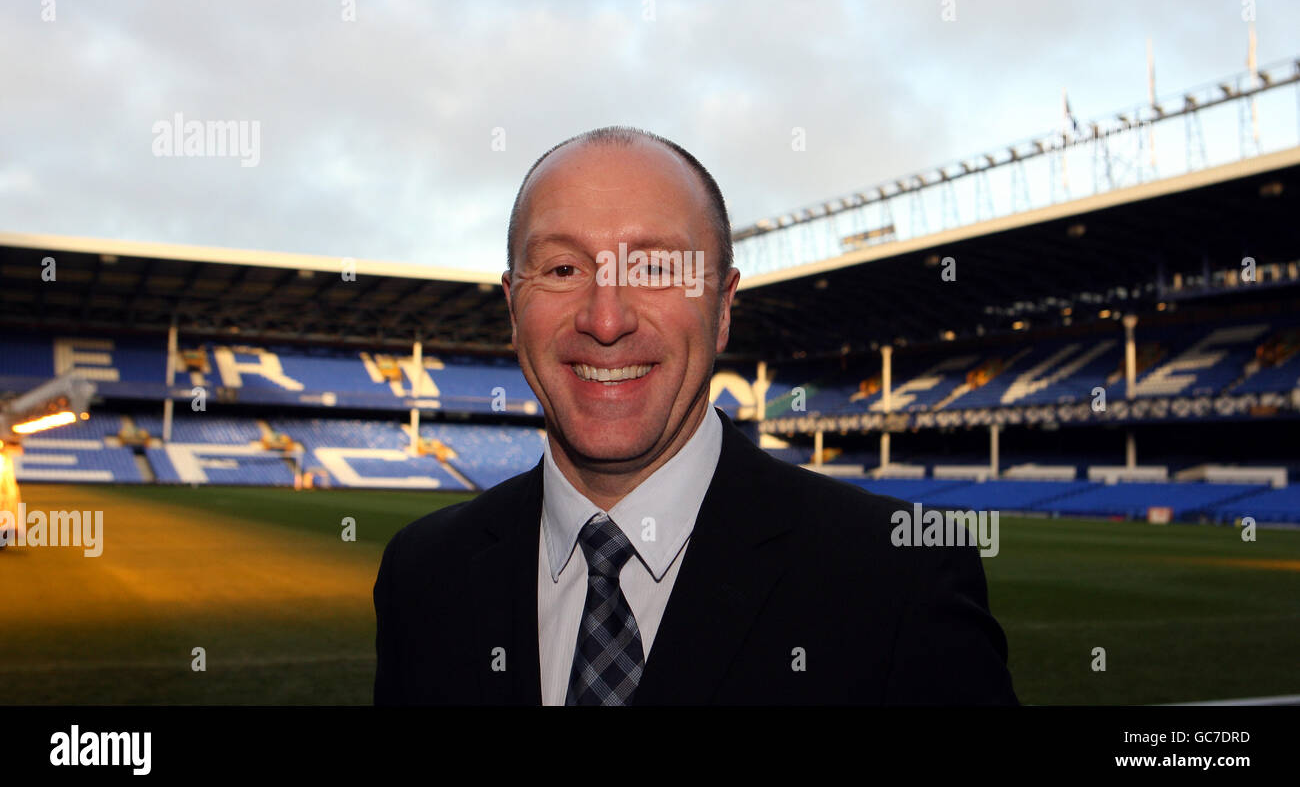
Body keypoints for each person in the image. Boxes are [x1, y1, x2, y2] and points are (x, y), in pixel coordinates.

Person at [373, 126, 1017, 705]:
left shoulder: (900, 577)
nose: (606, 320)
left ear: (723, 307)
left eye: (654, 268)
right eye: (563, 267)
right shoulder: (423, 574)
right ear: (514, 310)